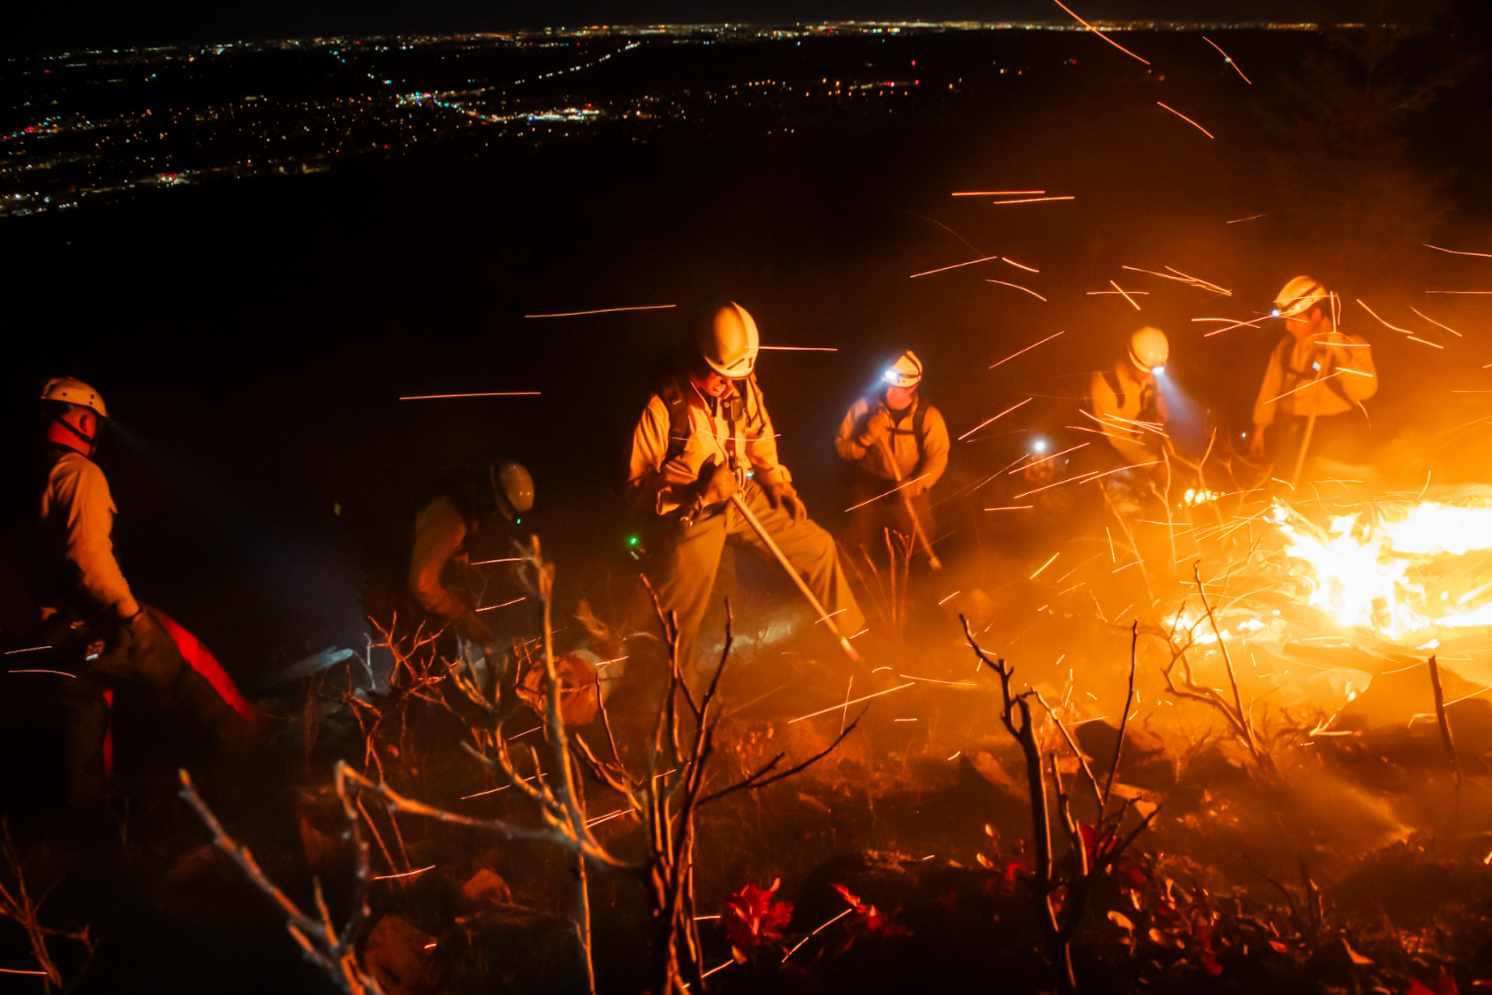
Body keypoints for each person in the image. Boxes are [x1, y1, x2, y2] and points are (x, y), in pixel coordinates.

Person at [28, 377, 247, 805]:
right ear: (84, 422)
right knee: (184, 666)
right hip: (84, 623)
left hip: (45, 633)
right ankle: (254, 751)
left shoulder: (34, 475)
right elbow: (91, 562)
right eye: (94, 423)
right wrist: (133, 617)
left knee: (86, 726)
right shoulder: (78, 473)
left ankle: (88, 828)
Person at [628, 302, 866, 672]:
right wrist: (698, 491)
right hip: (695, 515)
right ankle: (680, 709)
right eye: (719, 377)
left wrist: (775, 480)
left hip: (744, 496)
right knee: (678, 623)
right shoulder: (661, 408)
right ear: (697, 359)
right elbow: (636, 489)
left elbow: (758, 433)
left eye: (734, 378)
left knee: (819, 548)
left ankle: (857, 648)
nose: (728, 387)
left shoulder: (740, 384)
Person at [408, 461, 533, 691]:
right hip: (403, 606)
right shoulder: (451, 522)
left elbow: (446, 550)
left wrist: (462, 568)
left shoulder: (455, 507)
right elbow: (423, 584)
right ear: (492, 503)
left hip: (411, 601)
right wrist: (462, 615)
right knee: (421, 674)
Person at [1249, 276, 1378, 473]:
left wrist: (1341, 355)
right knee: (1286, 497)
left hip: (1334, 436)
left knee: (1324, 496)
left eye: (1293, 319)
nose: (1288, 327)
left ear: (1316, 314)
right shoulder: (1285, 348)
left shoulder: (1351, 344)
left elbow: (1366, 390)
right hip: (1291, 434)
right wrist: (1260, 429)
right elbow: (1270, 389)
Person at [834, 349, 950, 560]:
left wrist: (914, 486)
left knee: (919, 541)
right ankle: (857, 582)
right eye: (886, 385)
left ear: (913, 387)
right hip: (868, 485)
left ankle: (923, 583)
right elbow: (843, 449)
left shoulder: (928, 417)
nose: (888, 393)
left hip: (908, 487)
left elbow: (938, 458)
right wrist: (865, 438)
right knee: (857, 541)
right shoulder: (863, 408)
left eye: (896, 388)